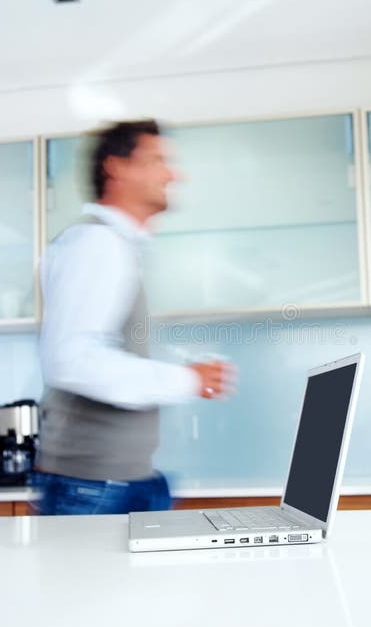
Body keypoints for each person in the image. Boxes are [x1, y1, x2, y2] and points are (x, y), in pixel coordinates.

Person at [32, 119, 234, 514]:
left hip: (114, 481)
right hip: (92, 488)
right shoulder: (97, 244)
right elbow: (72, 360)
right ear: (117, 167)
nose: (174, 174)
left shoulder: (115, 246)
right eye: (158, 160)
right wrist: (186, 379)